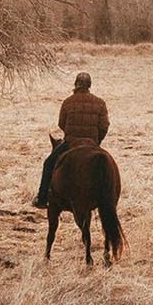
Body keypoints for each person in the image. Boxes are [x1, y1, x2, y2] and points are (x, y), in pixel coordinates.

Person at [32, 71, 109, 209]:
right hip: (91, 144)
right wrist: (96, 141)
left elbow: (61, 123)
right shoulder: (100, 103)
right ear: (89, 85)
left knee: (48, 163)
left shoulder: (68, 102)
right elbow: (104, 126)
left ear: (76, 84)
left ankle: (42, 198)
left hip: (71, 143)